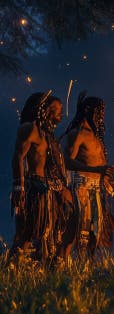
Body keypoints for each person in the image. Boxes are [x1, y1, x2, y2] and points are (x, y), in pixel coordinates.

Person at [10, 92, 71, 262]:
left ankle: (41, 272)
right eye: (55, 109)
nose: (60, 113)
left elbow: (54, 167)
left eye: (60, 110)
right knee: (27, 234)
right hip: (33, 190)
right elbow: (17, 158)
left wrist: (62, 188)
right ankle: (13, 269)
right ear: (43, 110)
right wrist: (19, 187)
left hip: (49, 191)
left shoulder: (50, 137)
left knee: (50, 236)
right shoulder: (30, 129)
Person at [58, 93, 114, 260]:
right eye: (99, 112)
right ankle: (58, 267)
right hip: (79, 189)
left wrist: (105, 177)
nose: (101, 116)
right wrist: (97, 169)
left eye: (103, 113)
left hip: (96, 191)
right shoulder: (78, 134)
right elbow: (66, 162)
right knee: (74, 232)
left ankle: (87, 270)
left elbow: (99, 165)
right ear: (88, 111)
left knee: (94, 233)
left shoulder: (96, 138)